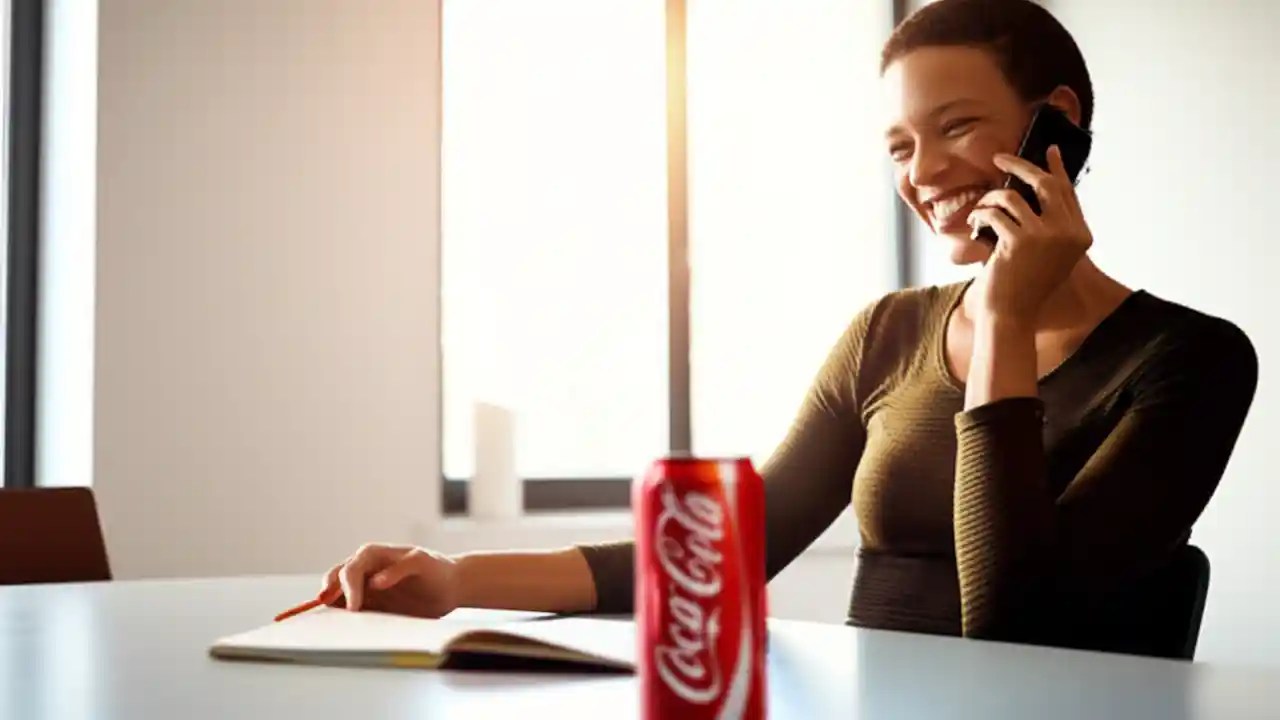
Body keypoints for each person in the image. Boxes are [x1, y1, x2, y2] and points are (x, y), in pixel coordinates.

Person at [318, 0, 1257, 650]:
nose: (922, 173)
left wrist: (1006, 316)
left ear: (1057, 123)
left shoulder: (1192, 361)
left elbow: (1017, 633)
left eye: (957, 125)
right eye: (900, 144)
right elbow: (724, 553)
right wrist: (452, 580)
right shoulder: (888, 333)